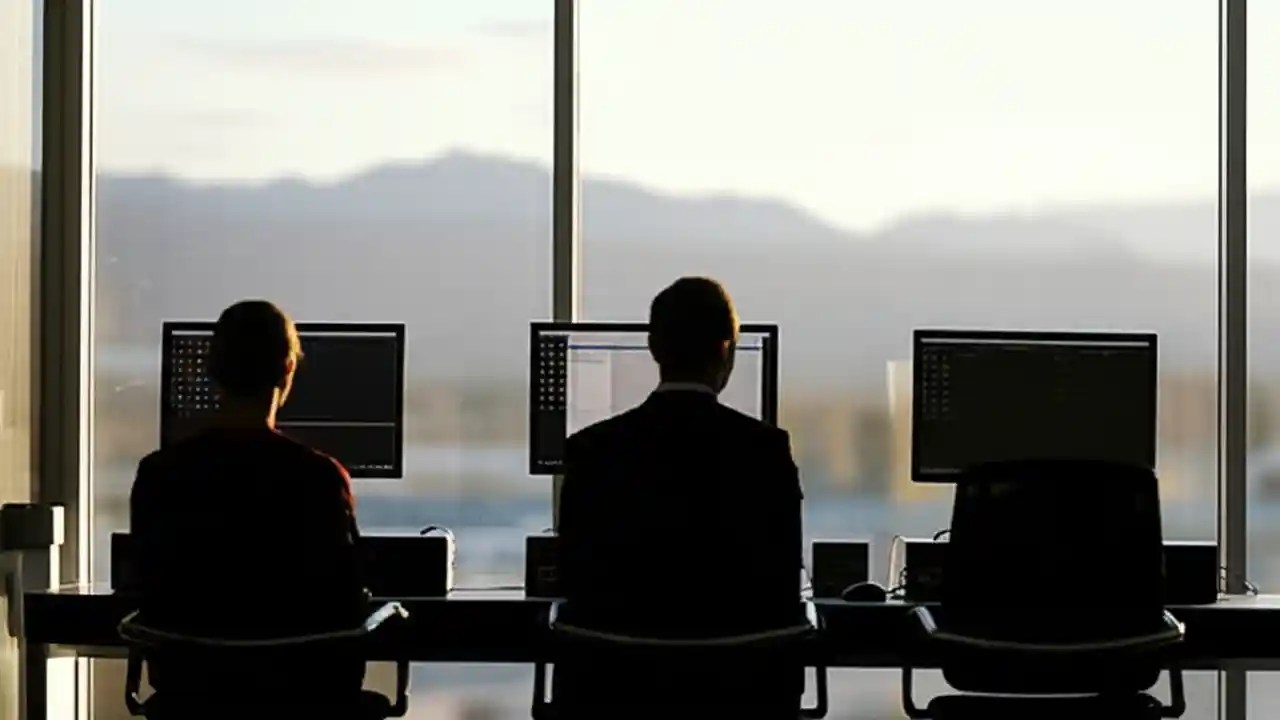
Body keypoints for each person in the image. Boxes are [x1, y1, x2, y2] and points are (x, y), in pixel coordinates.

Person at [557, 277, 805, 716]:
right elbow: (782, 586)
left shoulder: (590, 450)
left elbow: (572, 579)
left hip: (614, 696)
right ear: (726, 351)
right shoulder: (765, 452)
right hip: (737, 697)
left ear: (653, 347)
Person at [129, 300, 366, 710]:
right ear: (288, 368)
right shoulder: (322, 479)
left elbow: (148, 587)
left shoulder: (158, 474)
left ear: (212, 370)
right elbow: (343, 602)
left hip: (190, 698)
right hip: (301, 700)